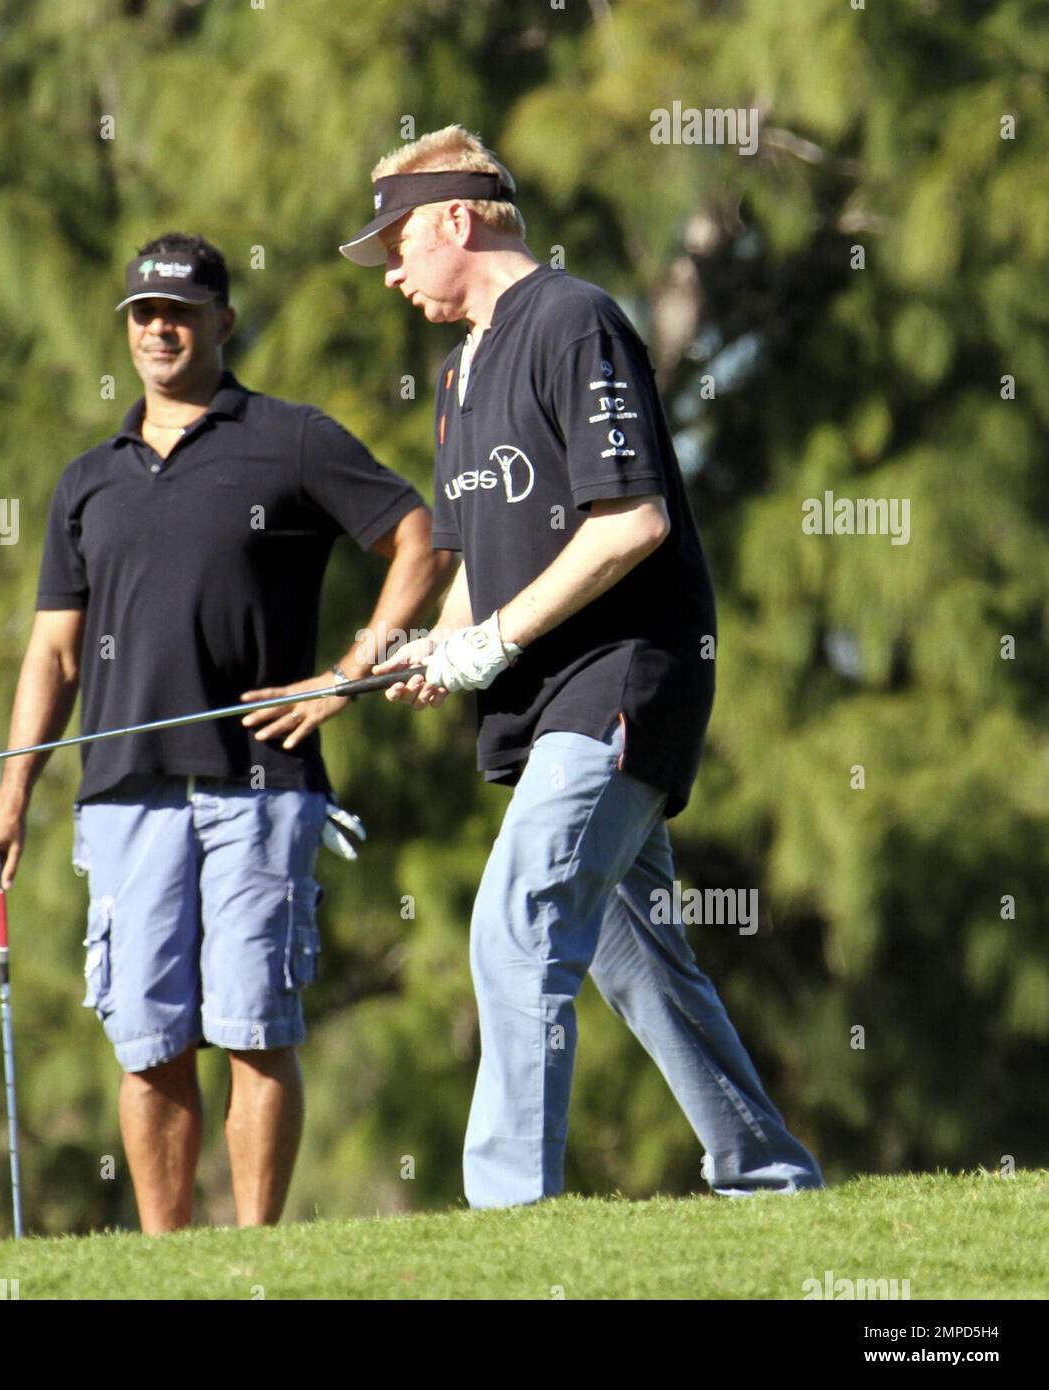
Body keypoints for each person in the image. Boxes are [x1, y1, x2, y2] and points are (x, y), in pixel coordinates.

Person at [341, 126, 824, 1208]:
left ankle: (509, 1214)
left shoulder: (574, 319)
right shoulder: (457, 377)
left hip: (619, 681)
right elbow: (475, 562)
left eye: (398, 245)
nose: (392, 274)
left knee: (514, 922)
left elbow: (631, 523)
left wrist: (494, 639)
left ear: (456, 218)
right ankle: (771, 1176)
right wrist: (437, 648)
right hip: (541, 702)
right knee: (640, 960)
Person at [0, 232, 445, 1231]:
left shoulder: (290, 438)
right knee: (149, 1042)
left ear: (223, 321)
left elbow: (420, 536)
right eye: (143, 314)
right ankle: (167, 1264)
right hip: (123, 793)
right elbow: (53, 655)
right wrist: (9, 799)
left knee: (255, 1027)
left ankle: (254, 1255)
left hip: (262, 783)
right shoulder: (87, 480)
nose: (160, 329)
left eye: (180, 313)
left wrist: (351, 674)